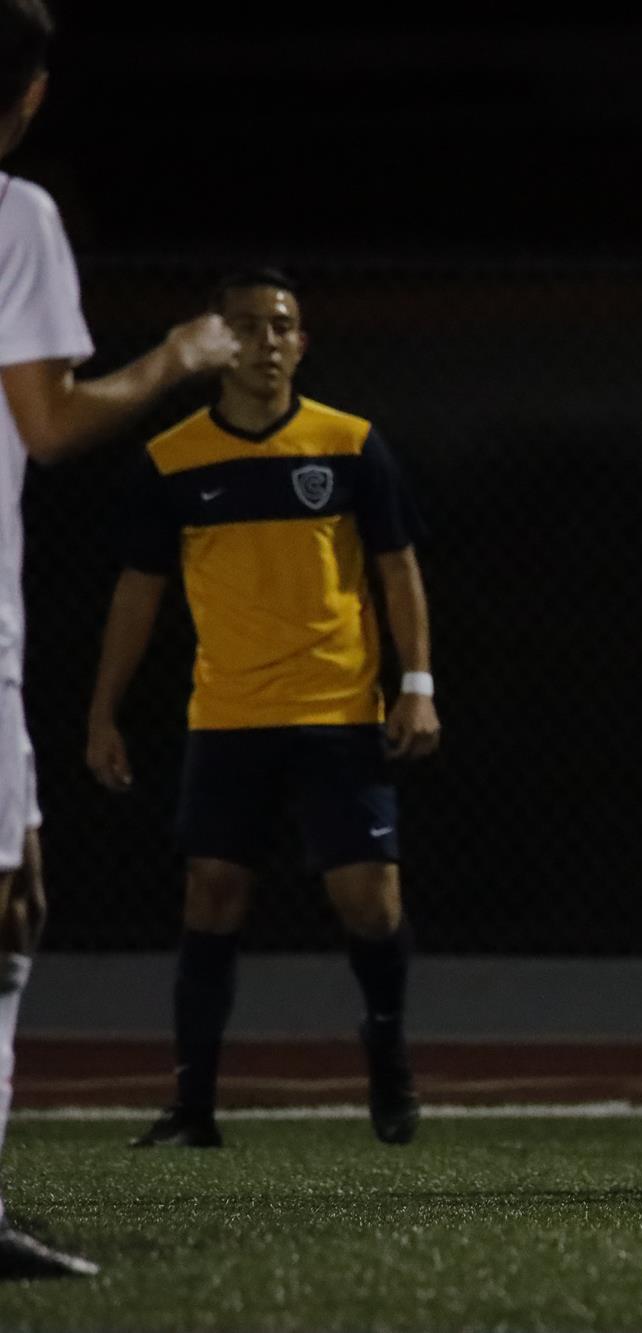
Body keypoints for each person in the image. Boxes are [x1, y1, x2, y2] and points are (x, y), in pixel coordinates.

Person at [85, 269, 439, 1152]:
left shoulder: (350, 443)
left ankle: (388, 1056)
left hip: (337, 709)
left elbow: (397, 567)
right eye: (246, 326)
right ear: (218, 344)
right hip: (229, 713)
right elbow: (139, 590)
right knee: (212, 894)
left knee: (369, 898)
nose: (267, 340)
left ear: (302, 342)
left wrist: (418, 682)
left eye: (281, 325)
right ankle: (193, 1103)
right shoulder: (172, 458)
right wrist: (104, 709)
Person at [0, 0, 241, 1279]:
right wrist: (174, 357)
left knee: (15, 894)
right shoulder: (17, 214)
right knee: (9, 906)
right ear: (29, 92)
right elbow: (46, 422)